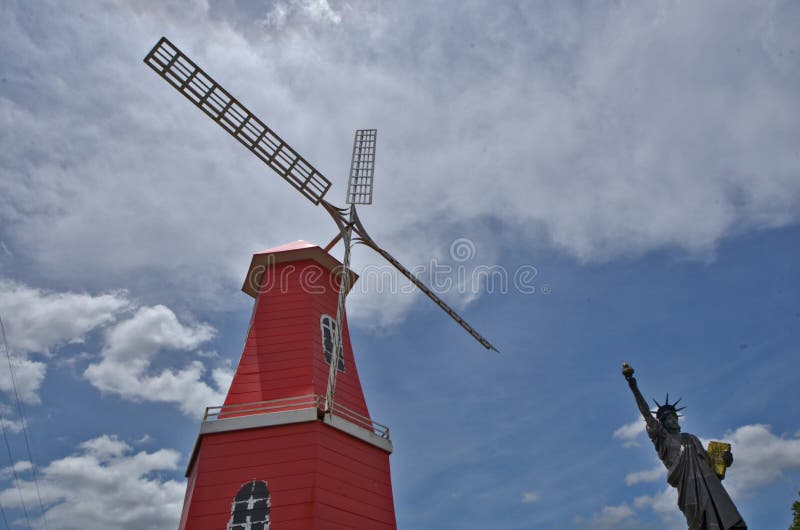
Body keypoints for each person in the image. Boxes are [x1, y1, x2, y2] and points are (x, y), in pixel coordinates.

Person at [622, 363, 747, 529]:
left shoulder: (691, 439)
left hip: (710, 485)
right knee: (699, 522)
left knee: (729, 520)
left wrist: (725, 460)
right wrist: (634, 388)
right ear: (663, 423)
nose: (673, 420)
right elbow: (646, 414)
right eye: (669, 419)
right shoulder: (663, 439)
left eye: (675, 417)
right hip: (687, 487)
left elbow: (711, 466)